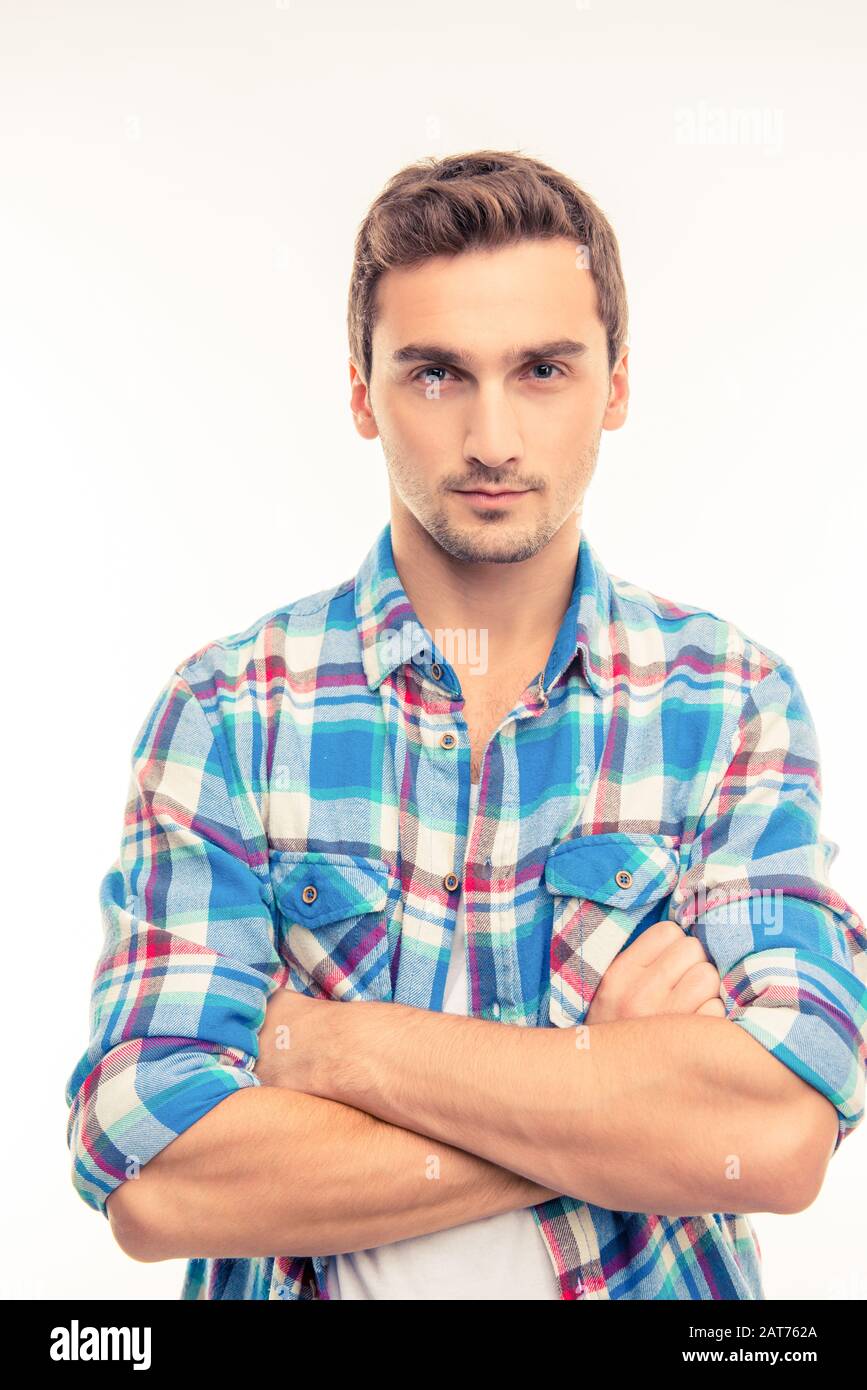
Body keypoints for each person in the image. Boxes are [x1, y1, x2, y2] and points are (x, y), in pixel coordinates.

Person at [65, 150, 867, 1301]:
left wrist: (325, 1048)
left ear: (618, 386)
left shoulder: (729, 702)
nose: (492, 436)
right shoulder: (230, 712)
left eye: (543, 368)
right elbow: (156, 1178)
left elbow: (781, 1134)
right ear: (361, 392)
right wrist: (613, 1104)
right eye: (437, 374)